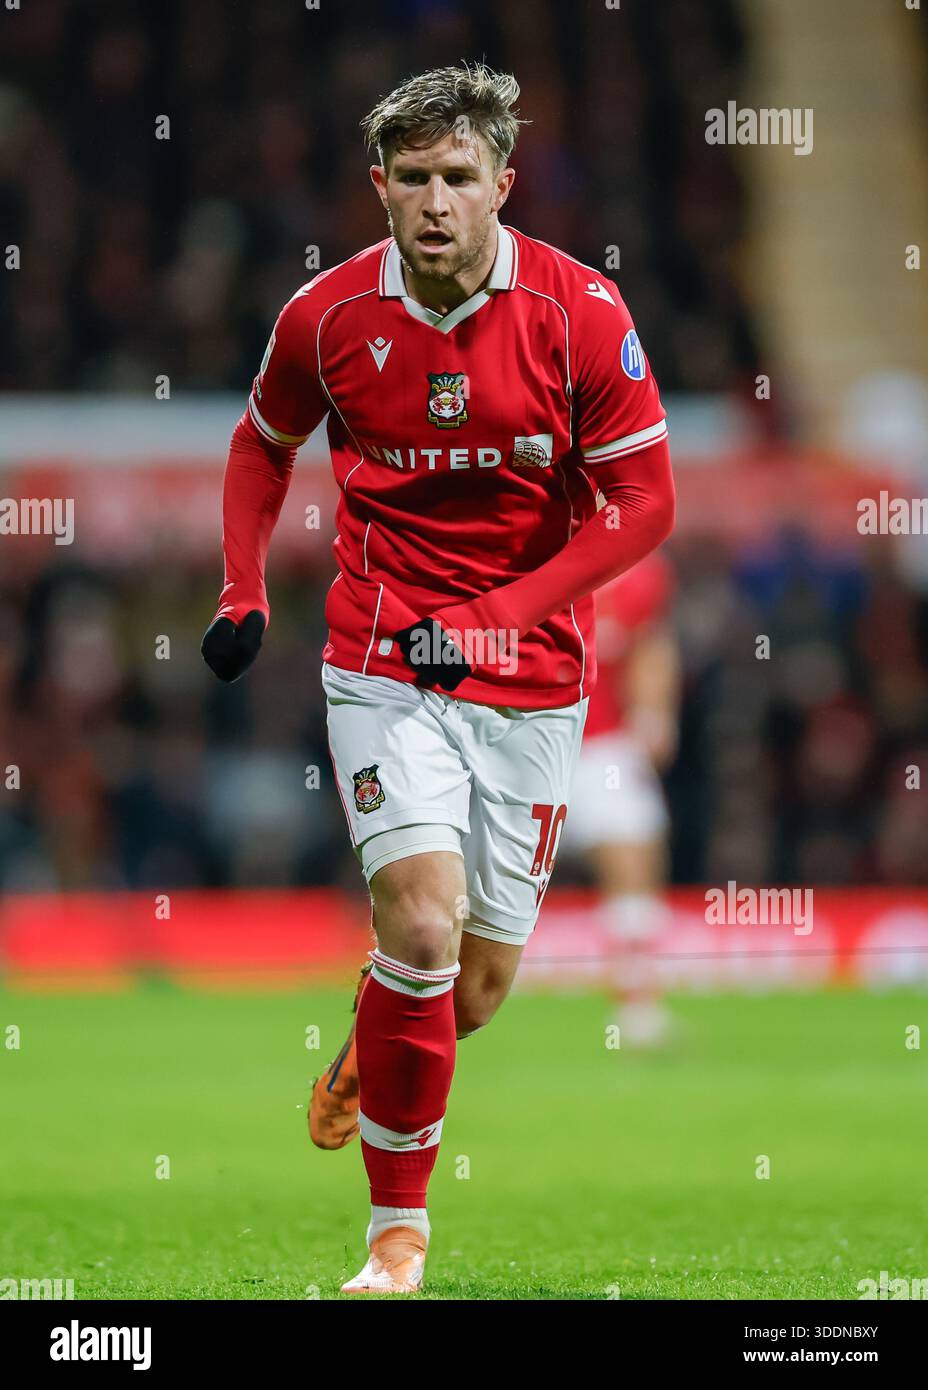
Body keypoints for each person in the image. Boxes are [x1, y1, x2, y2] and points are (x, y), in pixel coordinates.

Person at [202, 61, 674, 1295]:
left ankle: (372, 1046)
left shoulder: (580, 313)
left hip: (531, 675)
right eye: (410, 178)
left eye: (457, 177)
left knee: (471, 987)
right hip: (380, 655)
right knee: (415, 919)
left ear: (501, 185)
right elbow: (261, 447)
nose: (433, 201)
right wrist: (242, 591)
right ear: (379, 187)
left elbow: (645, 504)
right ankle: (395, 1237)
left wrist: (501, 616)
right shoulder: (327, 316)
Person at [560, 553, 680, 1047]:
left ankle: (638, 1007)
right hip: (513, 743)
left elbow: (650, 640)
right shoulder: (509, 553)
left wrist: (654, 712)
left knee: (634, 851)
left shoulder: (632, 568)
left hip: (601, 745)